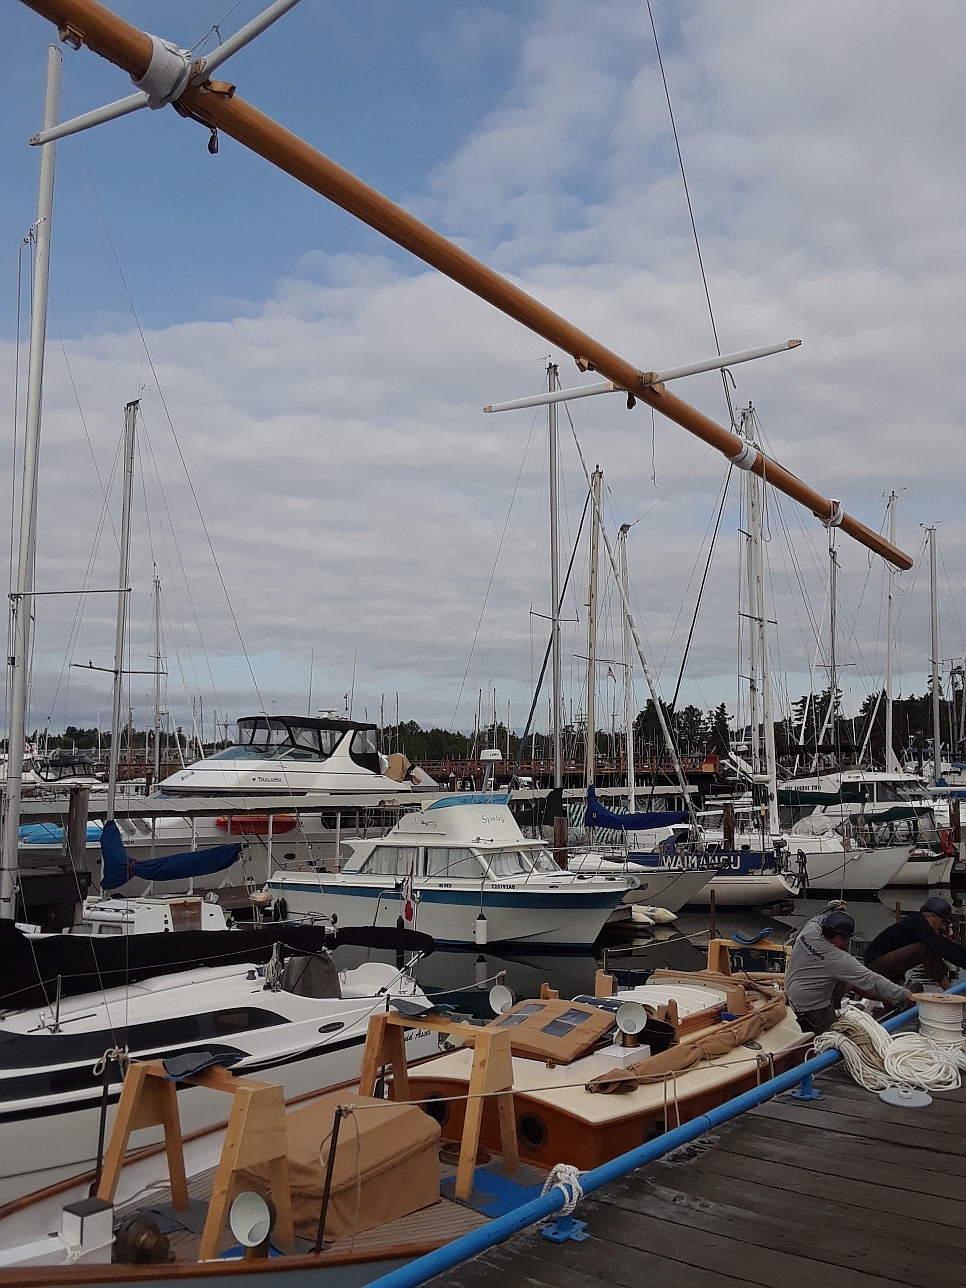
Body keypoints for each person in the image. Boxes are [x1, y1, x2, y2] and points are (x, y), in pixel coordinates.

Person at [785, 910, 912, 1034]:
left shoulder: (809, 932)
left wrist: (833, 909)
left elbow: (818, 917)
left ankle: (889, 1000)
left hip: (793, 996)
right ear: (838, 938)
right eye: (847, 939)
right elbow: (871, 980)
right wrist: (905, 994)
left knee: (851, 981)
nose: (848, 942)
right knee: (837, 1040)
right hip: (813, 1011)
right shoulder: (838, 960)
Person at [865, 896, 966, 990]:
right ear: (931, 916)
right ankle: (950, 991)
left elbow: (947, 945)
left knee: (932, 946)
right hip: (875, 965)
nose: (943, 927)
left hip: (881, 964)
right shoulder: (919, 925)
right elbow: (943, 949)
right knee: (924, 949)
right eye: (942, 922)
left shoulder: (919, 924)